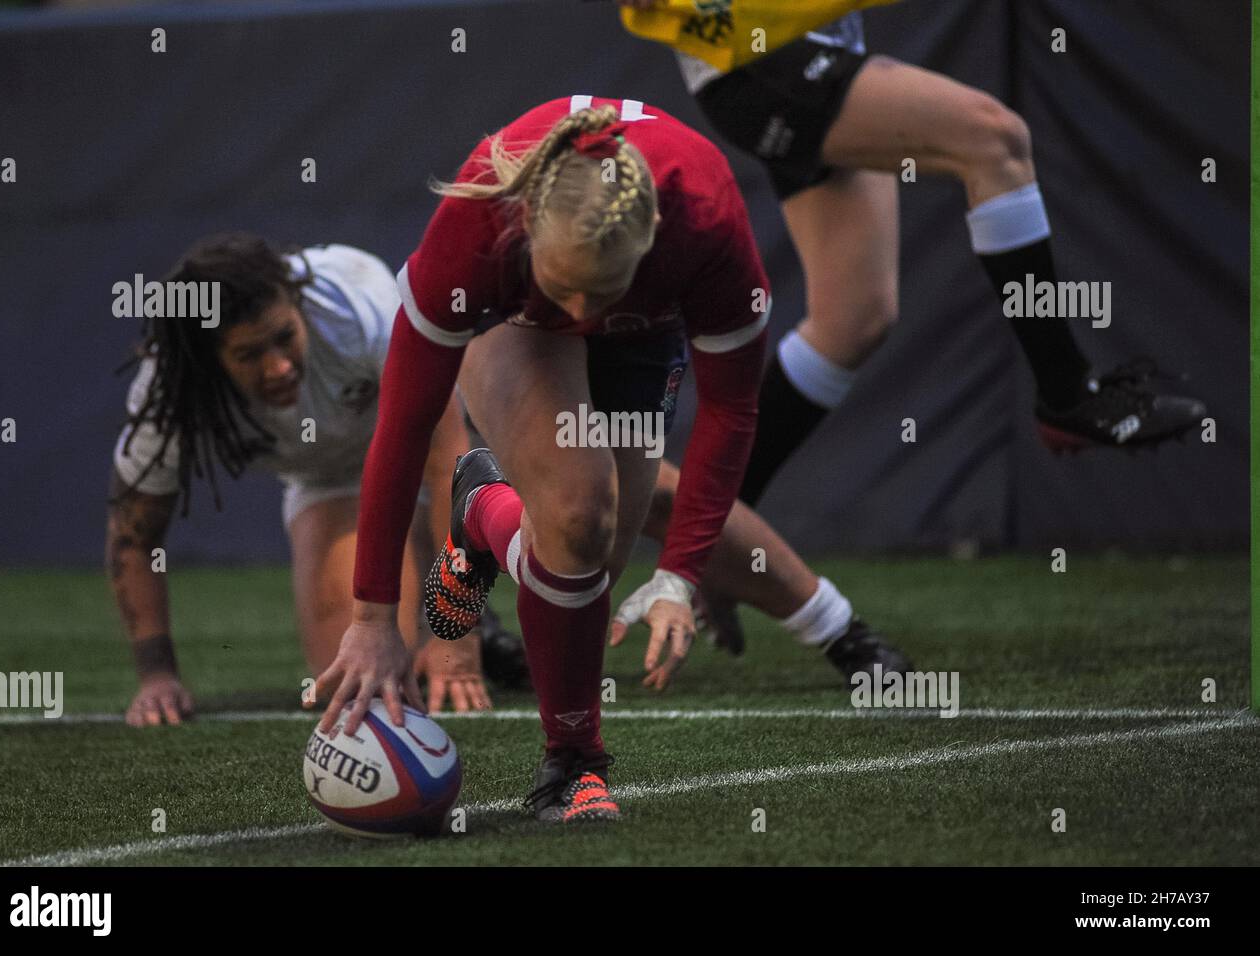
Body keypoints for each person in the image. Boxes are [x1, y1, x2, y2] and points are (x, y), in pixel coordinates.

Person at [617, 0, 1207, 646]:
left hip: (789, 49)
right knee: (994, 139)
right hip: (759, 55)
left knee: (854, 316)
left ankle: (715, 552)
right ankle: (1067, 392)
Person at [319, 98, 773, 823]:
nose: (585, 310)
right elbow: (403, 427)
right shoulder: (479, 225)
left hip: (644, 330)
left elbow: (731, 410)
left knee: (591, 564)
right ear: (528, 223)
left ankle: (480, 510)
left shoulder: (706, 220)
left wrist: (680, 577)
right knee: (575, 518)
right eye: (570, 287)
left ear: (653, 229)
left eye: (603, 288)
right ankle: (573, 764)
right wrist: (373, 616)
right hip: (517, 320)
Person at [107, 235, 501, 726]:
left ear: (296, 302)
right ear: (209, 361)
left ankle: (469, 621)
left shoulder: (364, 311)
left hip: (433, 443)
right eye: (249, 354)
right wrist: (157, 675)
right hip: (330, 478)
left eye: (283, 337)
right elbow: (135, 535)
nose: (279, 366)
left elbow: (450, 466)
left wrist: (455, 642)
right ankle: (450, 616)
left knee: (571, 522)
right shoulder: (174, 392)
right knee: (355, 677)